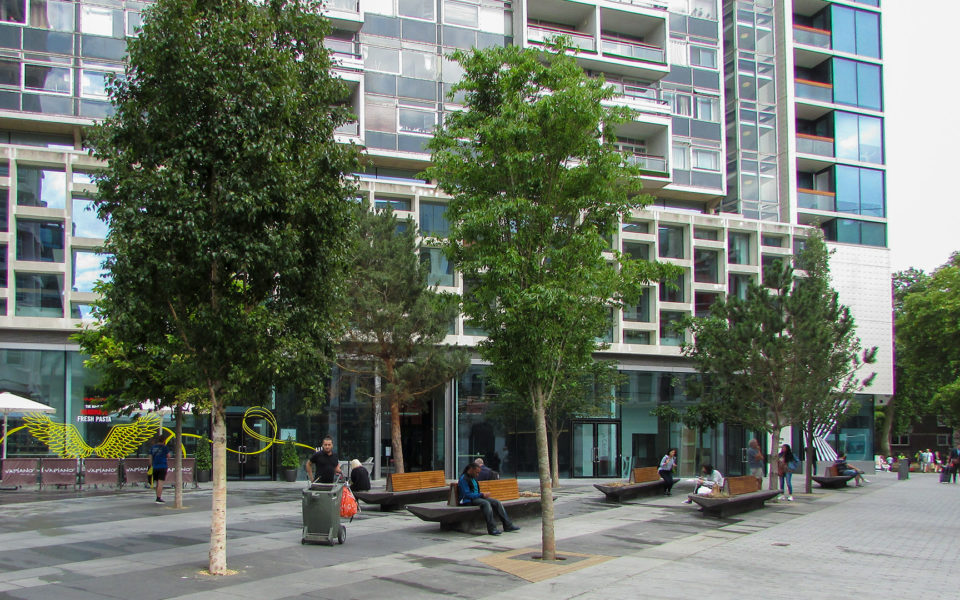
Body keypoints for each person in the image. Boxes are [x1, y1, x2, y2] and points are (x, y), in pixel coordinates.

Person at [458, 462, 520, 535]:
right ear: (471, 469)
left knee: (496, 502)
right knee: (486, 503)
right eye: (476, 472)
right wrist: (481, 494)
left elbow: (476, 491)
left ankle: (507, 525)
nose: (477, 475)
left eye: (478, 473)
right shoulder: (463, 479)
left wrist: (482, 494)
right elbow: (467, 494)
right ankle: (492, 529)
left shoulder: (473, 478)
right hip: (468, 500)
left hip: (477, 497)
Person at [149, 434, 171, 504]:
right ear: (164, 440)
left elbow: (150, 458)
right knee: (160, 482)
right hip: (162, 466)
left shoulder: (153, 447)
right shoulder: (164, 448)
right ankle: (159, 498)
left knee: (157, 483)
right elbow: (168, 456)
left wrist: (151, 465)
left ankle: (157, 496)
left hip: (155, 467)